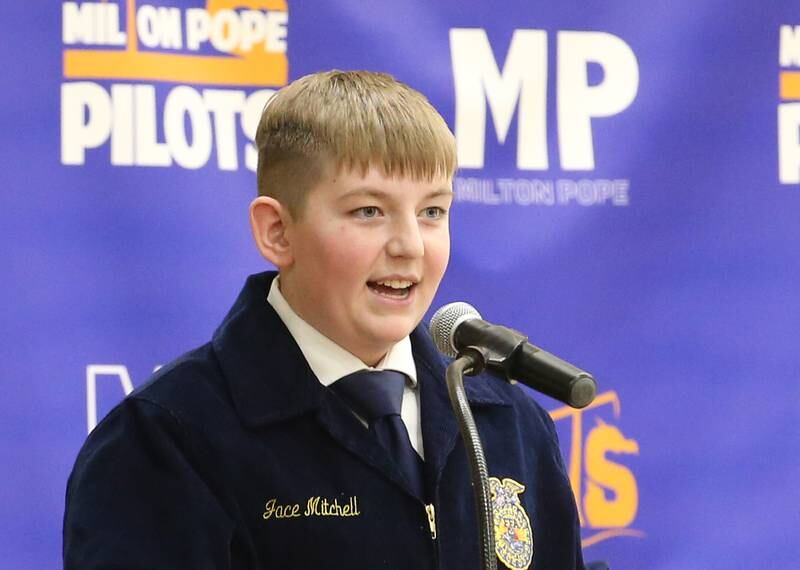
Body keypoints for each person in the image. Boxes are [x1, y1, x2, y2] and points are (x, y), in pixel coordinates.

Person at [63, 70, 585, 570]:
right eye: (368, 212)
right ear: (277, 232)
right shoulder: (168, 438)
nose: (409, 247)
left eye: (433, 212)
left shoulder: (506, 421)